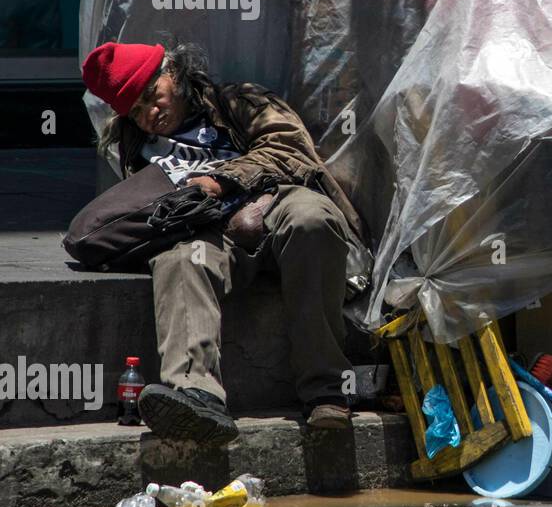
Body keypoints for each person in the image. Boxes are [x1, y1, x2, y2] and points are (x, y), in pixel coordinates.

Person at [82, 40, 370, 445]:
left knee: (313, 220)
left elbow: (291, 150)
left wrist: (223, 180)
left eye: (153, 96)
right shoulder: (137, 146)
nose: (150, 114)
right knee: (178, 262)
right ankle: (197, 397)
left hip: (274, 202)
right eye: (136, 110)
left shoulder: (239, 101)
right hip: (211, 234)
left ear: (173, 74)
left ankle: (325, 391)